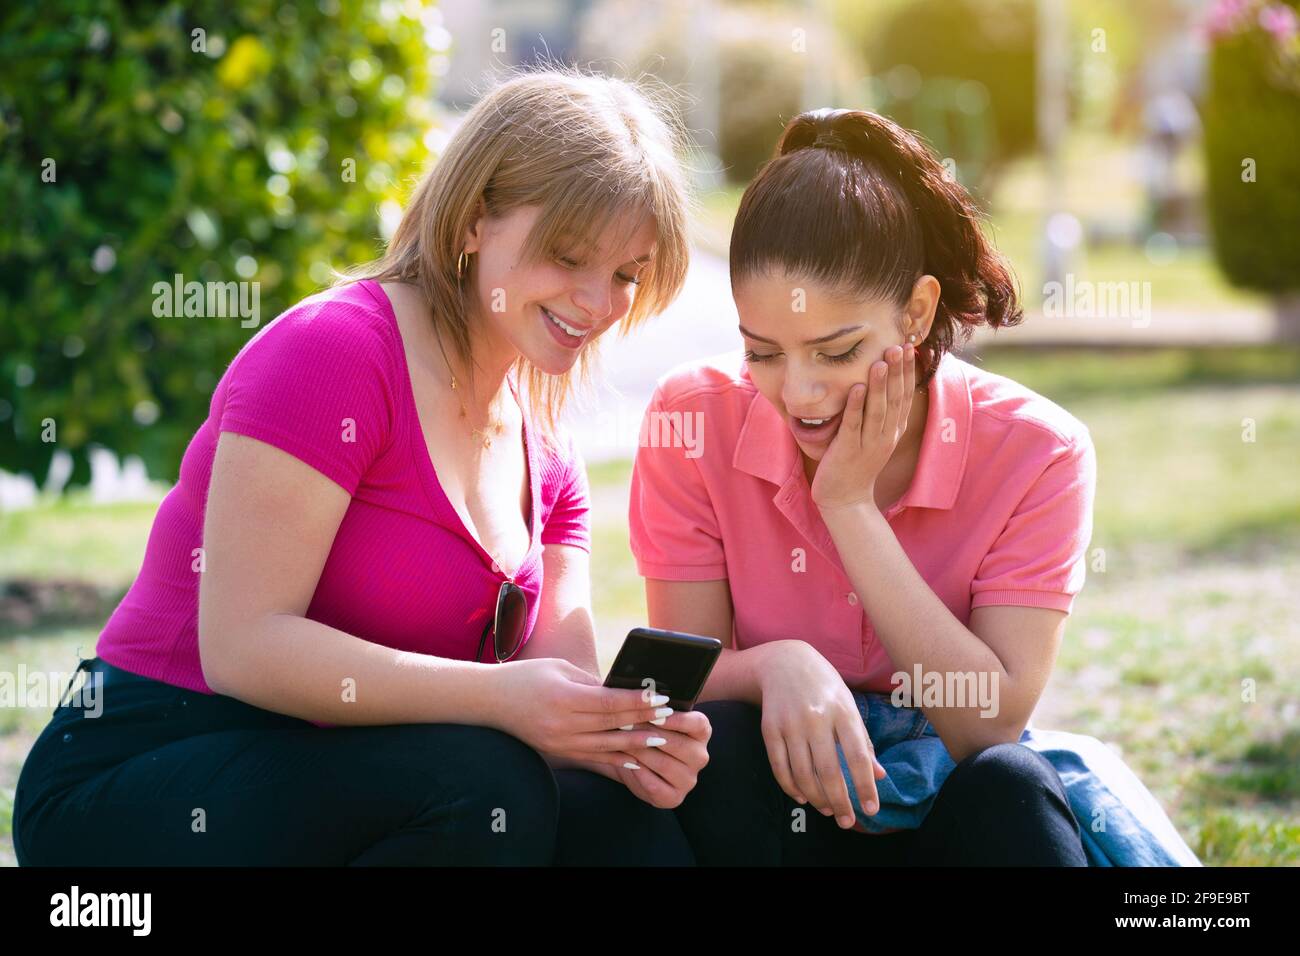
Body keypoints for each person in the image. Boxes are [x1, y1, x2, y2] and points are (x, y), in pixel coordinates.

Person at [13, 65, 708, 867]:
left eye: (627, 274)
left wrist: (623, 741)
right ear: (476, 219)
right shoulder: (334, 353)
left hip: (355, 784)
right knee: (488, 785)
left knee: (611, 812)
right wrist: (498, 700)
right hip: (135, 784)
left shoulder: (548, 455)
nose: (598, 301)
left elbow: (557, 688)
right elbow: (241, 646)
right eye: (570, 256)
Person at [628, 108, 1095, 865]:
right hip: (783, 816)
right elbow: (679, 679)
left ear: (915, 312)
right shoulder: (693, 419)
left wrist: (847, 503)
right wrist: (776, 665)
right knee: (723, 742)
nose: (800, 394)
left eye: (836, 352)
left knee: (1011, 783)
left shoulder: (1039, 452)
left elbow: (985, 727)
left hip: (947, 822)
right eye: (764, 354)